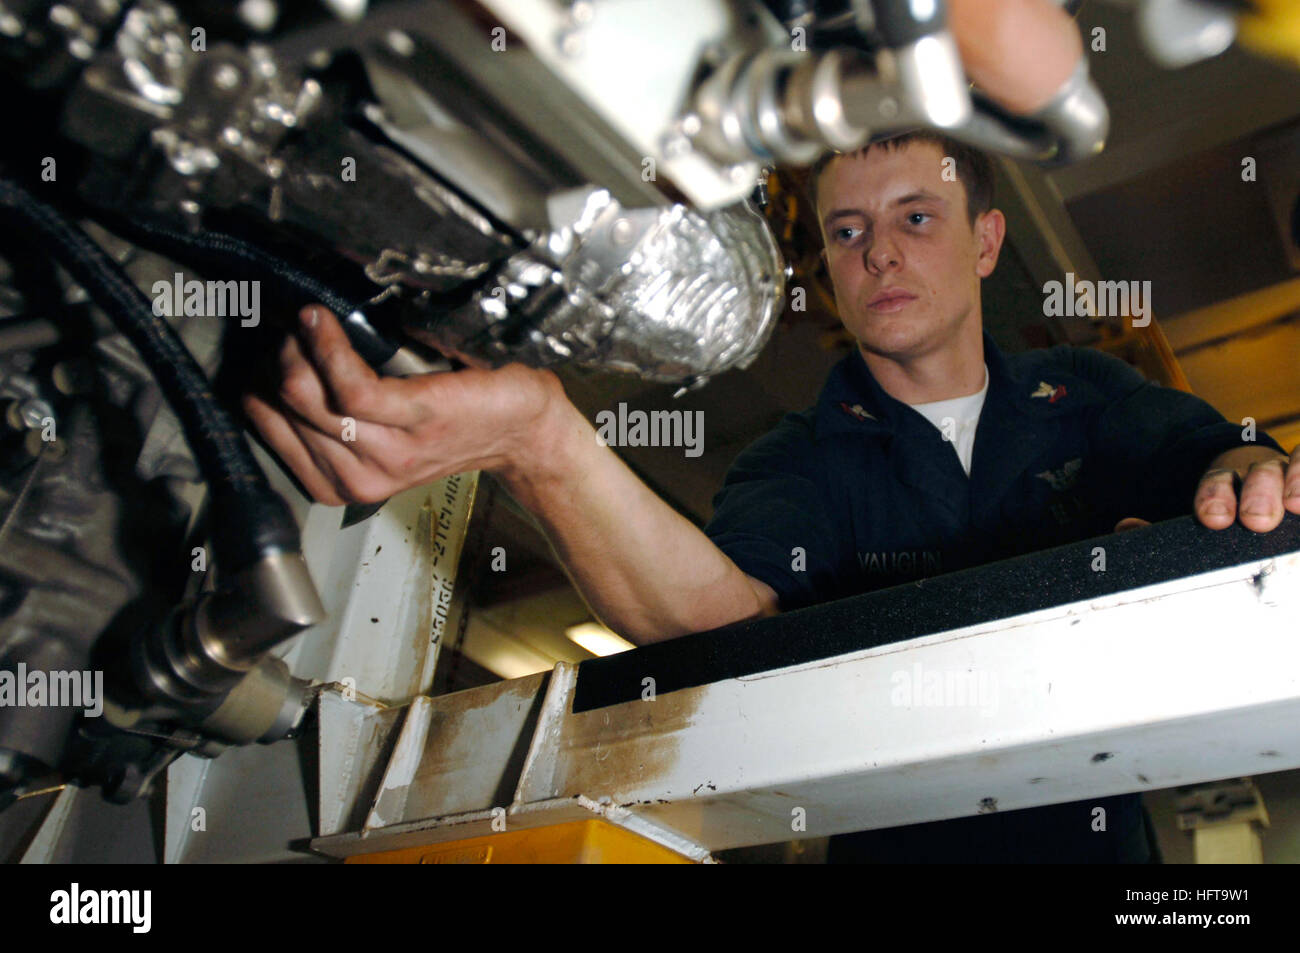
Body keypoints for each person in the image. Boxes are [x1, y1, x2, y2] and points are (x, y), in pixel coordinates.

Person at [241, 5, 1300, 861]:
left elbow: (1211, 458)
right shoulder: (797, 458)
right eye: (847, 231)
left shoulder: (1086, 391)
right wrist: (543, 440)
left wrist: (1249, 471)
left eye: (913, 217)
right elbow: (721, 616)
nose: (878, 252)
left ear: (986, 240)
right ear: (826, 272)